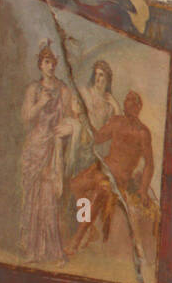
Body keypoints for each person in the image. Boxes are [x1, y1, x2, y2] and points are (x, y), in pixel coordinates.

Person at [67, 90, 156, 255]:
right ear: (124, 105)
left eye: (133, 101)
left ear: (139, 107)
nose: (129, 103)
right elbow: (98, 138)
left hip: (119, 177)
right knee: (75, 185)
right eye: (127, 100)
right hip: (102, 168)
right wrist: (84, 118)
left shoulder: (143, 133)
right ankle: (89, 226)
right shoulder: (116, 122)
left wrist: (143, 189)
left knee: (100, 190)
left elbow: (149, 164)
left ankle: (77, 239)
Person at [19, 40, 79, 264]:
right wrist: (39, 103)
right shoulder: (34, 89)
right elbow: (26, 117)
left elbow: (72, 117)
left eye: (53, 62)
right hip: (35, 147)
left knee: (49, 198)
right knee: (33, 198)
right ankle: (33, 250)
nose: (51, 66)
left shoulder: (63, 90)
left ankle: (54, 251)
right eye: (47, 62)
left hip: (53, 148)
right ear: (40, 65)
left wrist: (70, 127)